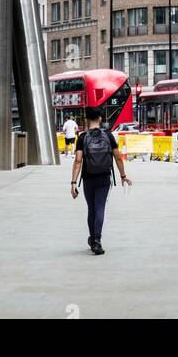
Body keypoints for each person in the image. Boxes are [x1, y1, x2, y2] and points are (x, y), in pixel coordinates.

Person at [70, 107, 132, 254]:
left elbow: (78, 161)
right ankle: (97, 241)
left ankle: (93, 238)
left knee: (91, 209)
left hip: (88, 179)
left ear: (86, 120)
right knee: (100, 208)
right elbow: (118, 157)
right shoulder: (109, 136)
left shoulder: (82, 138)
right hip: (104, 178)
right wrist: (123, 176)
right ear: (100, 119)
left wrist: (73, 182)